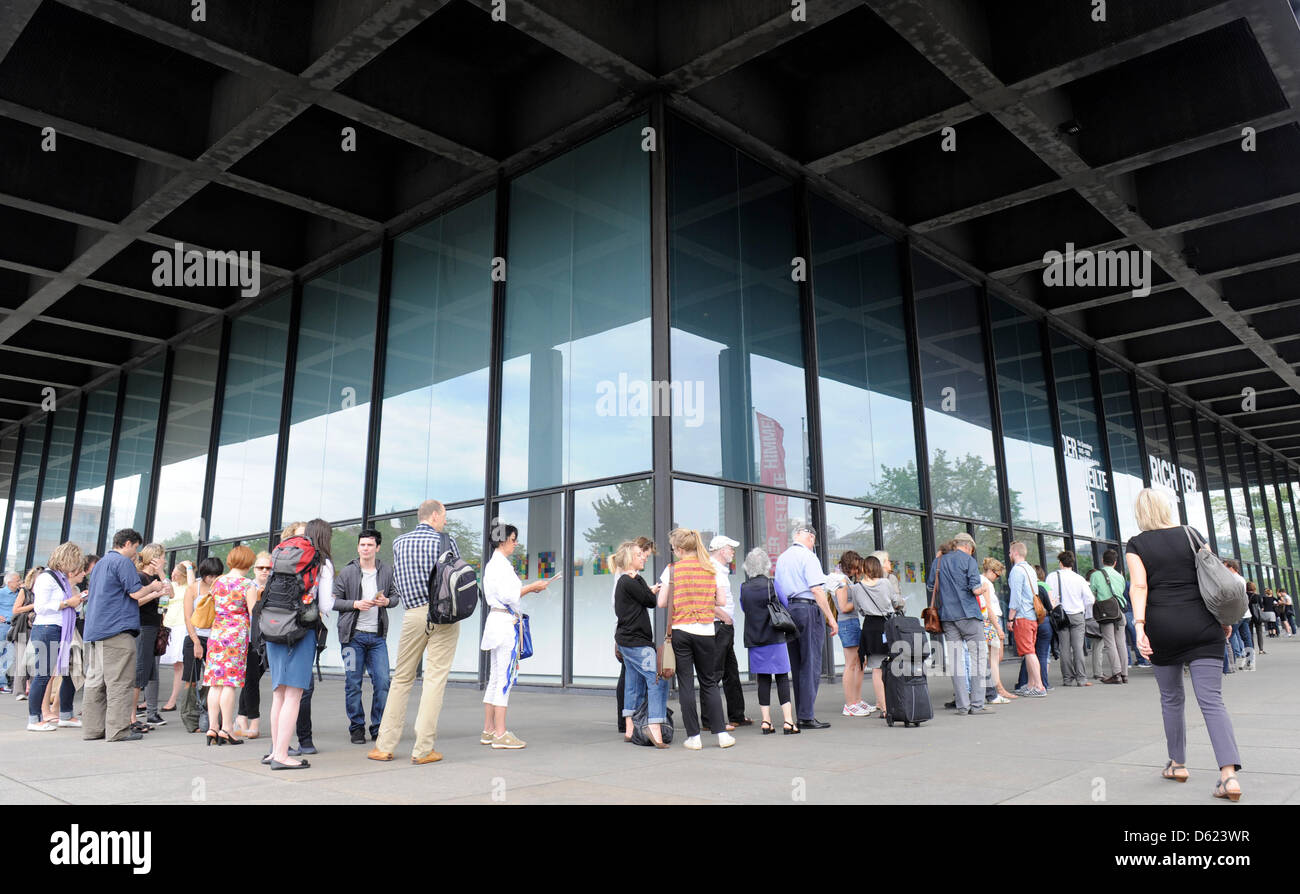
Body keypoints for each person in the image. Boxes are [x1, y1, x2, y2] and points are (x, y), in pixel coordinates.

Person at [1128, 488, 1242, 801]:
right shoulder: (1191, 534)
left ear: (1140, 513)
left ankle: (1178, 764)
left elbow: (1139, 585)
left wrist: (1139, 628)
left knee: (1171, 697)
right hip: (1203, 624)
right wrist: (1224, 617)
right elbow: (1214, 576)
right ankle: (1229, 777)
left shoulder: (1137, 544)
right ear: (1166, 508)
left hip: (1162, 627)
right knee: (1212, 700)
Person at [370, 500, 461, 765]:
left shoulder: (399, 543)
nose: (444, 521)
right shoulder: (446, 542)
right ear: (434, 515)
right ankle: (422, 749)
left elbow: (398, 580)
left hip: (413, 614)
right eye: (443, 516)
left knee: (401, 679)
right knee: (434, 679)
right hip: (443, 615)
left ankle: (384, 746)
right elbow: (455, 575)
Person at [82, 529, 168, 742]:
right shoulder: (123, 562)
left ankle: (93, 730)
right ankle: (118, 731)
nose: (135, 553)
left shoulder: (101, 564)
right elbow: (136, 593)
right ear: (128, 543)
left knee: (95, 682)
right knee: (119, 681)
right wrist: (154, 586)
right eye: (135, 548)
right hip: (116, 630)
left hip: (95, 630)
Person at [264, 519, 333, 770]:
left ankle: (274, 751)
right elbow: (325, 606)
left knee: (278, 694)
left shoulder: (281, 554)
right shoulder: (321, 561)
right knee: (294, 695)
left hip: (272, 625)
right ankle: (283, 755)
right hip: (299, 631)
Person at [657, 528, 733, 749]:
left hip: (681, 631)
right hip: (706, 631)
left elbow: (662, 603)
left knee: (686, 685)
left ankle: (694, 737)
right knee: (709, 682)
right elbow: (720, 600)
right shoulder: (710, 569)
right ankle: (721, 734)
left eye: (673, 549)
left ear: (680, 549)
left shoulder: (671, 570)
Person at [480, 523, 553, 750]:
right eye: (513, 539)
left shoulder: (495, 564)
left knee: (495, 677)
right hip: (504, 623)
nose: (516, 543)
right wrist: (532, 587)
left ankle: (489, 729)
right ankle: (500, 733)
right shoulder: (500, 566)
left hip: (497, 621)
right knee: (504, 678)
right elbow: (510, 595)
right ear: (503, 541)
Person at [333, 530, 395, 745]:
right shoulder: (348, 572)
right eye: (362, 545)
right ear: (358, 547)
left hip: (377, 638)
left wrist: (387, 602)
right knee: (353, 683)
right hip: (352, 638)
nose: (365, 548)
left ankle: (378, 727)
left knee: (383, 682)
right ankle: (357, 727)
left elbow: (395, 597)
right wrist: (355, 604)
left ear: (377, 548)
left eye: (370, 545)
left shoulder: (386, 570)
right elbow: (333, 602)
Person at [774, 525, 837, 729]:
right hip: (808, 609)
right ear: (810, 537)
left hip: (789, 610)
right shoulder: (809, 557)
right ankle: (807, 715)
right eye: (813, 539)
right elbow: (817, 589)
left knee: (797, 663)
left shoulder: (783, 557)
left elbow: (778, 588)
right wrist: (831, 618)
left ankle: (802, 713)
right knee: (810, 663)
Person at [927, 532, 993, 716]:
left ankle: (962, 706)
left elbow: (931, 587)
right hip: (969, 616)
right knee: (978, 659)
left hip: (947, 617)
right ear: (968, 546)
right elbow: (975, 589)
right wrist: (983, 589)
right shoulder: (969, 561)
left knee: (956, 661)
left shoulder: (939, 561)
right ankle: (977, 705)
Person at [612, 540, 668, 747]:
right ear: (629, 558)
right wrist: (649, 590)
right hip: (637, 641)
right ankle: (654, 726)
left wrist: (647, 590)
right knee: (657, 679)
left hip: (627, 640)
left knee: (633, 684)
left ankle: (630, 728)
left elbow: (642, 598)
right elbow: (651, 602)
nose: (643, 557)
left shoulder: (625, 582)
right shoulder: (632, 580)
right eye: (638, 555)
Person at [25, 543, 85, 731]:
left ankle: (65, 714)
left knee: (67, 672)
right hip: (47, 628)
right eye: (75, 562)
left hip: (60, 629)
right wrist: (68, 602)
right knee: (43, 674)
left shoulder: (61, 579)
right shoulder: (46, 578)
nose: (77, 568)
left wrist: (76, 601)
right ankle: (34, 719)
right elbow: (40, 607)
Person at [202, 546, 258, 746]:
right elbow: (253, 612)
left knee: (215, 683)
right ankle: (227, 728)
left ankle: (212, 728)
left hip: (217, 633)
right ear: (248, 562)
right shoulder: (247, 584)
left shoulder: (218, 581)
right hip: (236, 635)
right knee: (229, 683)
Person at [740, 547, 797, 734]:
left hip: (755, 639)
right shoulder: (772, 584)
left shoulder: (744, 587)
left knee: (762, 679)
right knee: (781, 677)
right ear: (766, 565)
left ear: (748, 567)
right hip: (775, 637)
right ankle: (788, 721)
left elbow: (744, 607)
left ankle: (766, 721)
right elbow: (785, 604)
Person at [707, 534, 750, 731]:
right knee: (715, 673)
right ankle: (710, 720)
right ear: (721, 549)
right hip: (719, 625)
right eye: (731, 548)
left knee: (731, 672)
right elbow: (705, 599)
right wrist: (723, 616)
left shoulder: (720, 570)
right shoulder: (711, 569)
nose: (733, 551)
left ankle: (736, 715)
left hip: (724, 625)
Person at [850, 554, 901, 718]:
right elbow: (896, 601)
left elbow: (859, 609)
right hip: (887, 626)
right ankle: (895, 703)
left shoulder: (857, 588)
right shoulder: (885, 583)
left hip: (870, 627)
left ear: (864, 569)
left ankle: (884, 708)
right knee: (893, 665)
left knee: (877, 668)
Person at [181, 557, 221, 734]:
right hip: (195, 637)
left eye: (216, 575)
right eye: (209, 575)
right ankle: (190, 719)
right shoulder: (193, 588)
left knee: (213, 680)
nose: (212, 579)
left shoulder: (221, 588)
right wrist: (196, 642)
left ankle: (211, 717)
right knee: (191, 679)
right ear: (203, 574)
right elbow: (188, 618)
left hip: (216, 638)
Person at [235, 552, 272, 738]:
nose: (264, 571)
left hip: (271, 639)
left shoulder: (275, 587)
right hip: (251, 640)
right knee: (251, 680)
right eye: (260, 567)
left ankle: (241, 717)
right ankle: (253, 720)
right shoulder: (247, 587)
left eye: (268, 568)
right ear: (254, 569)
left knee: (253, 679)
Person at [132, 544, 167, 728]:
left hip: (155, 626)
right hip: (143, 626)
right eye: (162, 557)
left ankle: (151, 712)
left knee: (152, 671)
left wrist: (161, 574)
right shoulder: (140, 577)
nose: (165, 560)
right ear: (153, 558)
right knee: (140, 671)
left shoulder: (156, 577)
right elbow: (135, 601)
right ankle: (132, 716)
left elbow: (171, 593)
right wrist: (154, 593)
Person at [834, 550, 873, 717]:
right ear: (850, 565)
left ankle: (856, 700)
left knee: (859, 662)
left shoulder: (846, 580)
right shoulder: (841, 581)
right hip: (847, 622)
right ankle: (850, 703)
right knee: (851, 664)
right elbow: (843, 607)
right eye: (856, 567)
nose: (858, 571)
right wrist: (859, 598)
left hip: (852, 621)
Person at [1048, 550, 1094, 687]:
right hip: (1077, 615)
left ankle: (1067, 679)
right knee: (1078, 648)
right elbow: (1090, 599)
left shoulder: (1052, 577)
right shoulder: (1079, 579)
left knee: (1064, 648)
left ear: (1060, 563)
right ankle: (1081, 679)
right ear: (1072, 563)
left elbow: (1049, 597)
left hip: (1060, 616)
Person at [1006, 542, 1046, 697]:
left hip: (1022, 616)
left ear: (1015, 553)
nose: (1009, 554)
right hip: (1033, 615)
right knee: (1030, 651)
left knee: (1028, 652)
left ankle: (1039, 686)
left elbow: (1015, 596)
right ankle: (1030, 684)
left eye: (1010, 552)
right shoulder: (1030, 569)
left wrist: (1010, 617)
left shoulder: (1016, 571)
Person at [1089, 549, 1129, 684]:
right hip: (1120, 612)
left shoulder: (1096, 575)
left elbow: (1092, 593)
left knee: (1110, 643)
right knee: (1121, 643)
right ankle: (1124, 674)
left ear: (1102, 560)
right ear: (1115, 562)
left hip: (1106, 613)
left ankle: (1116, 674)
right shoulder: (1120, 576)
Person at [158, 562, 192, 712]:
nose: (173, 575)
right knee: (162, 662)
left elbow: (192, 584)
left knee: (178, 664)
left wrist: (189, 567)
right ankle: (149, 699)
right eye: (172, 572)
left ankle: (173, 699)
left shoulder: (189, 587)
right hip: (167, 625)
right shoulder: (171, 586)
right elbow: (163, 603)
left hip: (181, 626)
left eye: (176, 573)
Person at [981, 557, 1015, 702]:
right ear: (990, 571)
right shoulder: (985, 582)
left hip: (991, 620)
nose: (997, 577)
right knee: (994, 657)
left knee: (994, 657)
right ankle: (997, 688)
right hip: (991, 620)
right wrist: (997, 627)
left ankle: (994, 686)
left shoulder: (984, 581)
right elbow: (988, 607)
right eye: (997, 574)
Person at [11, 567, 42, 700]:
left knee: (35, 662)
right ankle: (19, 691)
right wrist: (33, 606)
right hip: (23, 629)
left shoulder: (44, 592)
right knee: (21, 660)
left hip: (37, 629)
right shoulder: (25, 591)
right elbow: (16, 610)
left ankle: (34, 691)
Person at [1222, 560, 1255, 672]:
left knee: (1228, 637)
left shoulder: (1233, 579)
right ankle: (1250, 662)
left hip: (1237, 614)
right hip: (1245, 613)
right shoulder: (1241, 579)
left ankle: (1230, 665)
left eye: (1225, 566)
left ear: (1231, 567)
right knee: (1247, 638)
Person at [0, 570, 20, 692]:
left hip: (15, 628)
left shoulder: (20, 593)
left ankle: (2, 682)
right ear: (9, 582)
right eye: (17, 580)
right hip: (3, 627)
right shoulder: (1, 593)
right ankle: (2, 683)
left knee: (10, 655)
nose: (19, 582)